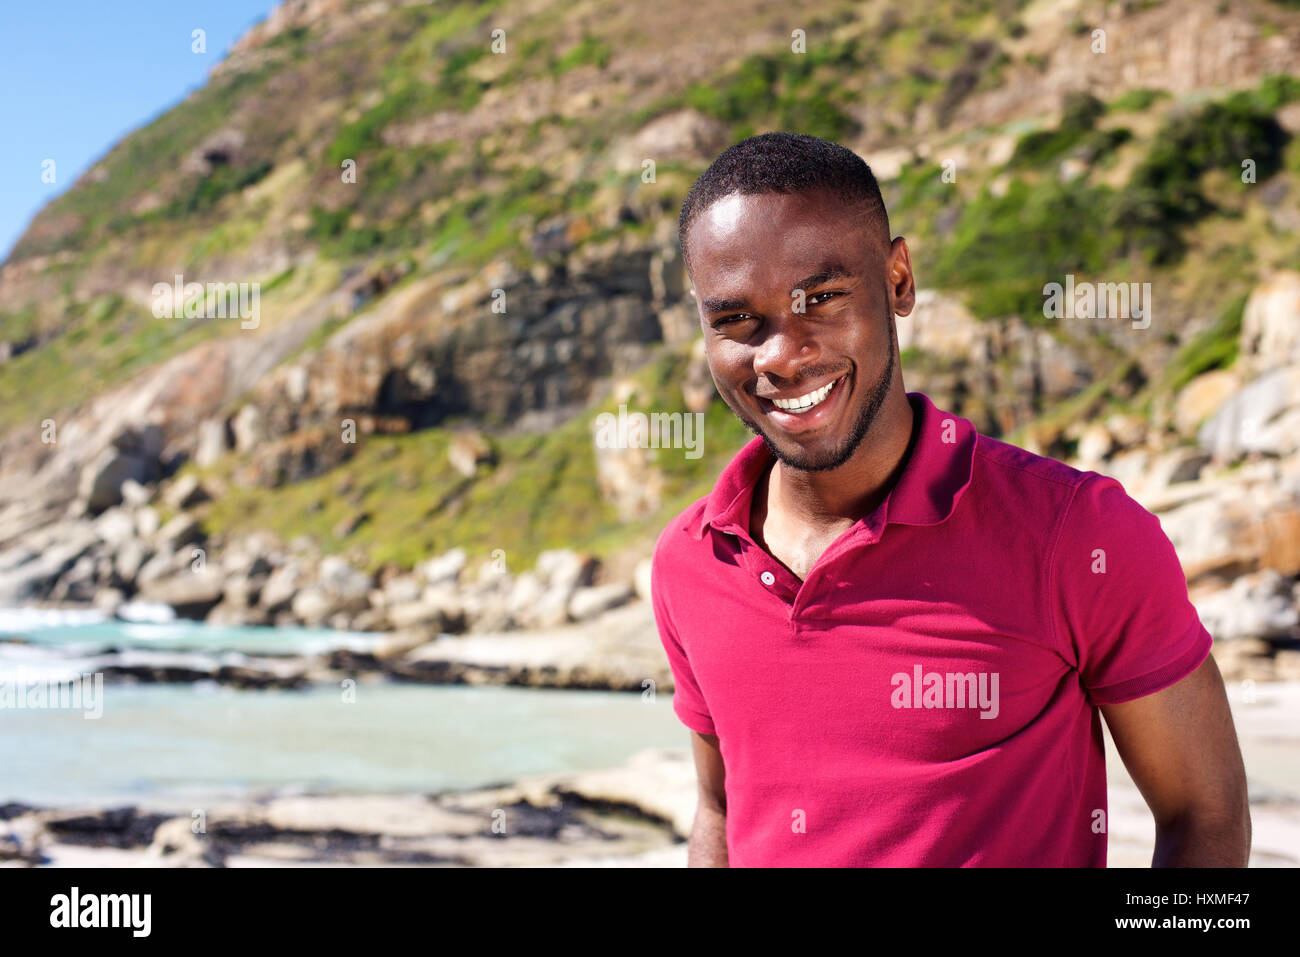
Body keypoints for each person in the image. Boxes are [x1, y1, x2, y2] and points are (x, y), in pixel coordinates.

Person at [650, 131, 1251, 867]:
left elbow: (1206, 818)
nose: (780, 353)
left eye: (822, 298)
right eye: (737, 320)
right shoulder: (689, 561)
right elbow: (721, 808)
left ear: (898, 279)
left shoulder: (1078, 534)